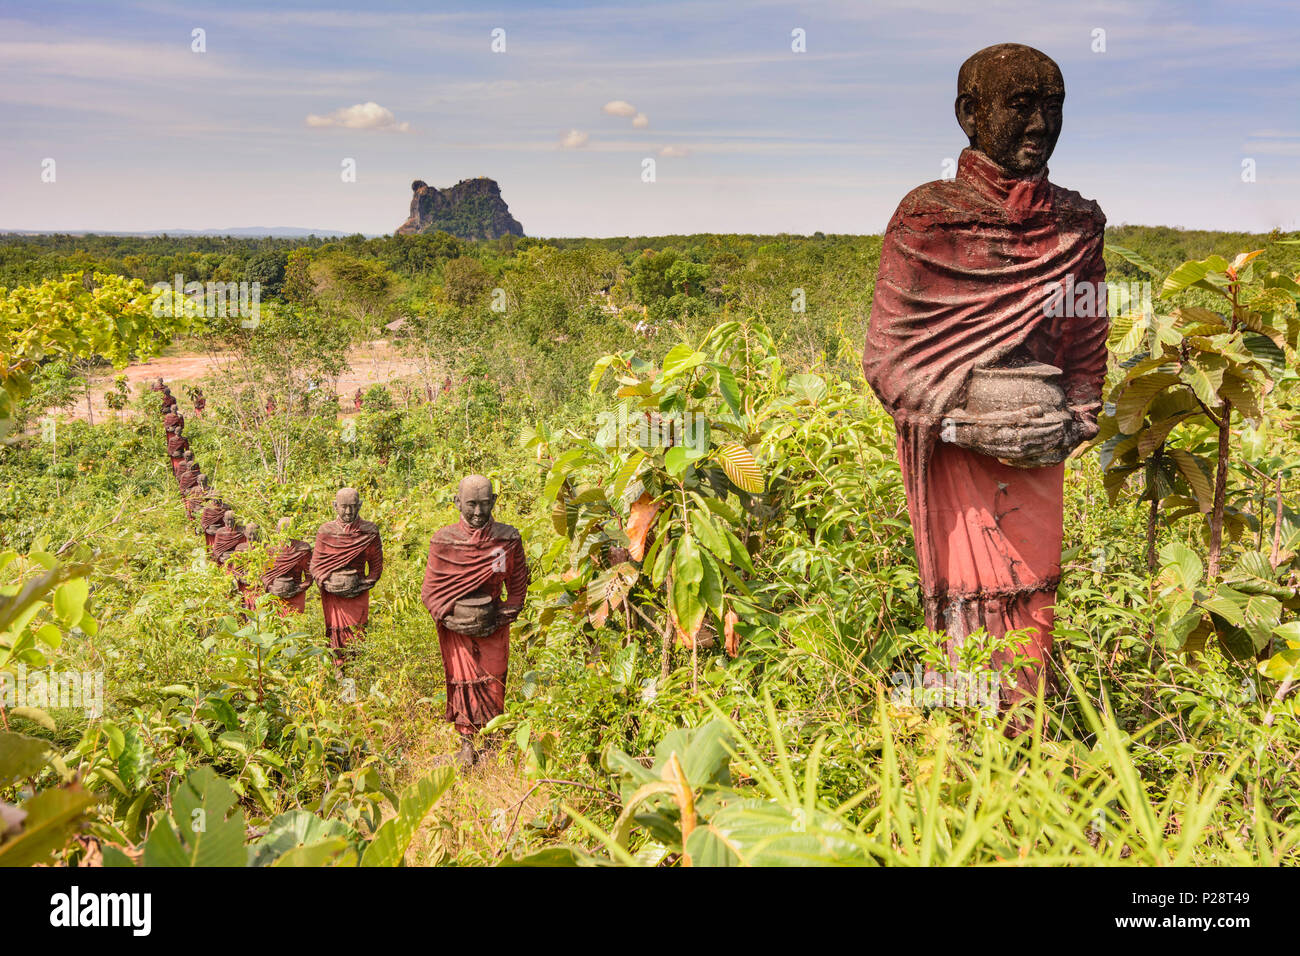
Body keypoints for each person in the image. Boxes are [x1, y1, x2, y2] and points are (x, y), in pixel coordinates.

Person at [862, 43, 1107, 717]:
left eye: (1052, 107)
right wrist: (962, 420)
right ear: (969, 114)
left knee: (1033, 607)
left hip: (1036, 456)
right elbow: (888, 361)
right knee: (968, 614)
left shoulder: (1078, 225)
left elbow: (1086, 358)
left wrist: (1073, 424)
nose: (1038, 125)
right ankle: (971, 761)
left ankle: (1024, 761)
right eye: (1019, 106)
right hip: (954, 454)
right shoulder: (930, 217)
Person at [421, 475, 529, 769]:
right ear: (457, 502)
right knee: (463, 683)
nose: (478, 512)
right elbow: (430, 592)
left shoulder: (507, 539)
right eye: (471, 505)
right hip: (457, 627)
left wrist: (505, 614)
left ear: (494, 501)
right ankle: (467, 748)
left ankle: (492, 747)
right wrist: (452, 620)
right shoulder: (444, 541)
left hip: (494, 624)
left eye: (484, 504)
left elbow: (518, 585)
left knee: (494, 682)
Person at [309, 488, 382, 665]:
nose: (348, 512)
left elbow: (376, 565)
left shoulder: (369, 531)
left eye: (353, 506)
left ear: (360, 505)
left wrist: (363, 584)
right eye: (343, 507)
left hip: (358, 593)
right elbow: (315, 566)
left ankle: (359, 669)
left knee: (358, 633)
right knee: (336, 634)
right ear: (335, 506)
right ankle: (337, 670)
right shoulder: (326, 531)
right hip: (334, 594)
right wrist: (328, 583)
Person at [262, 517, 314, 614]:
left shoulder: (302, 550)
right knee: (276, 625)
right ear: (277, 530)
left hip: (296, 595)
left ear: (292, 530)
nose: (284, 533)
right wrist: (271, 588)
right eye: (282, 529)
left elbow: (309, 578)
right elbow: (265, 575)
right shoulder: (270, 550)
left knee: (295, 625)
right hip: (275, 595)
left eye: (287, 529)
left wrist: (297, 589)